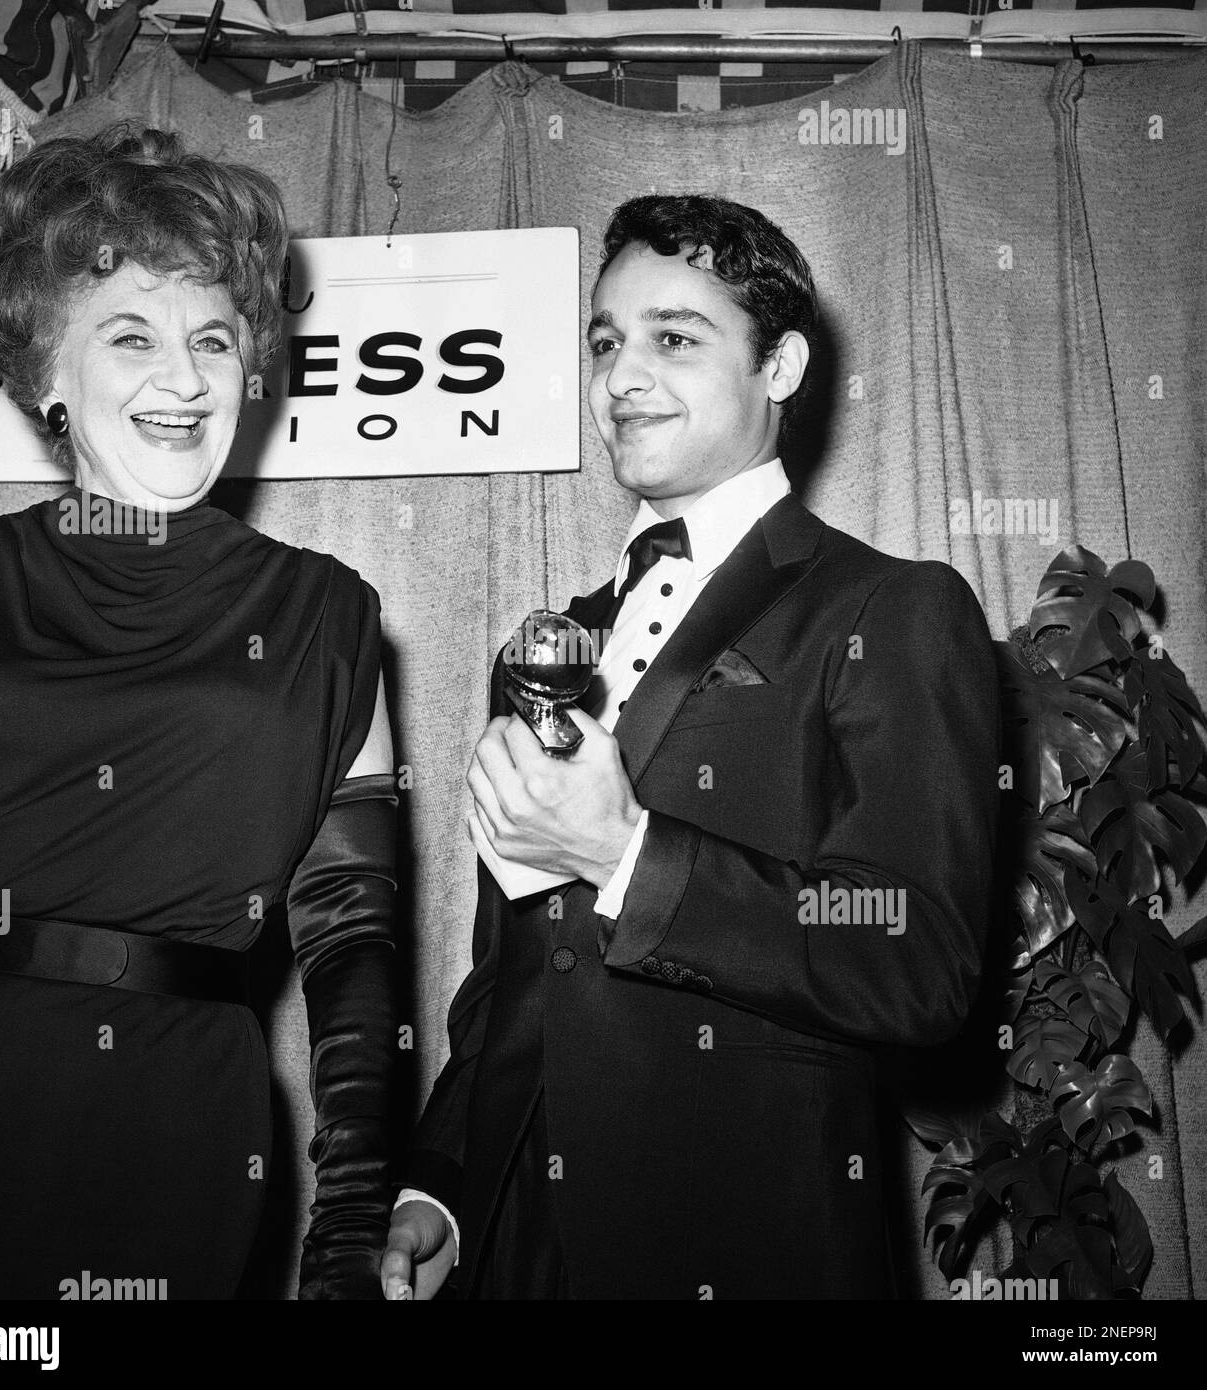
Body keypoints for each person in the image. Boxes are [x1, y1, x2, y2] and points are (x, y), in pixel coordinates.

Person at [382, 194, 1000, 1300]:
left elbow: (916, 961)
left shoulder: (891, 608)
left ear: (782, 365)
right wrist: (440, 1178)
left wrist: (629, 854)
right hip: (514, 1246)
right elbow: (517, 970)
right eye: (608, 341)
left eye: (674, 338)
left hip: (746, 1239)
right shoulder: (546, 647)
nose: (621, 376)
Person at [0, 123, 396, 1299]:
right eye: (131, 335)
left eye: (214, 340)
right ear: (47, 377)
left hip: (178, 1132)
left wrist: (354, 1222)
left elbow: (352, 945)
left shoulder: (329, 618)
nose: (183, 380)